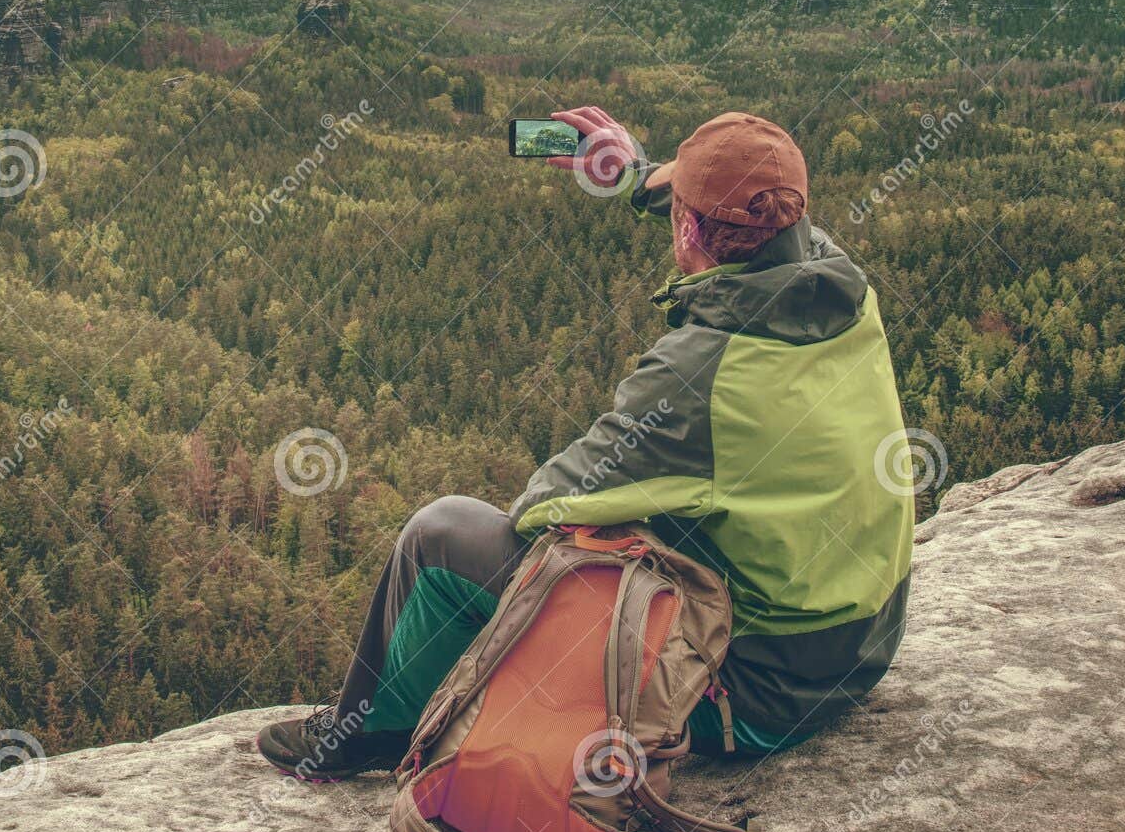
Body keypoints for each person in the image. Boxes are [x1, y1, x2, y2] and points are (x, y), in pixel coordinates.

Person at [257, 106, 913, 779]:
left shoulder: (699, 375)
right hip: (861, 650)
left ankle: (365, 732)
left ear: (686, 226)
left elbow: (543, 506)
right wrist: (635, 174)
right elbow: (747, 219)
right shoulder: (840, 284)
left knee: (439, 538)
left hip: (757, 698)